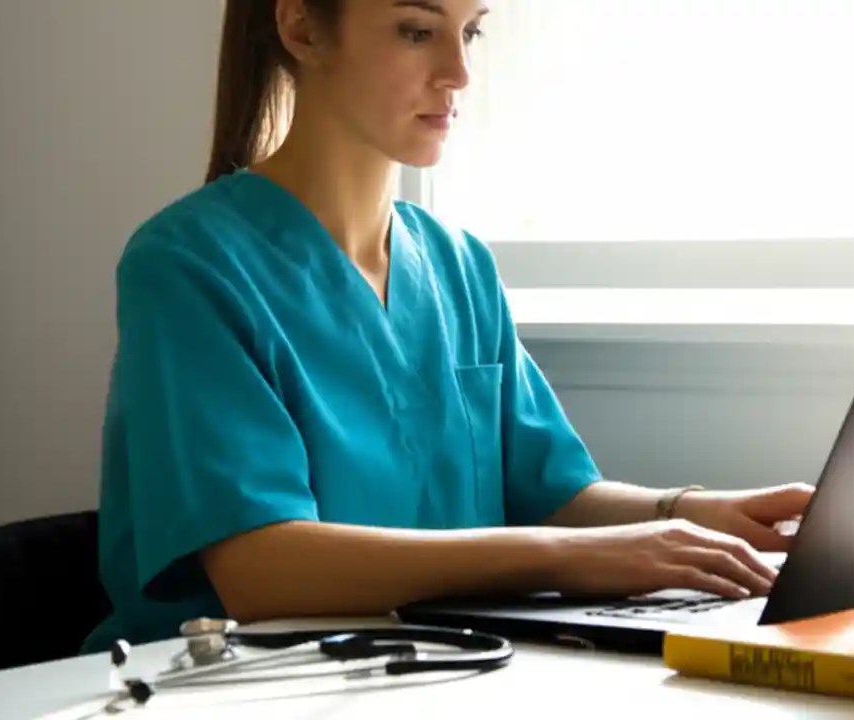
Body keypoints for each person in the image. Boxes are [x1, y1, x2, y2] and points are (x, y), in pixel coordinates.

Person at [81, 0, 812, 654]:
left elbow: (552, 493)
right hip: (239, 688)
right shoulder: (186, 264)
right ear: (302, 26)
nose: (459, 73)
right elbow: (260, 571)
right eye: (416, 30)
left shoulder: (458, 264)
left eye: (471, 32)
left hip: (440, 668)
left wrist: (689, 514)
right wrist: (562, 556)